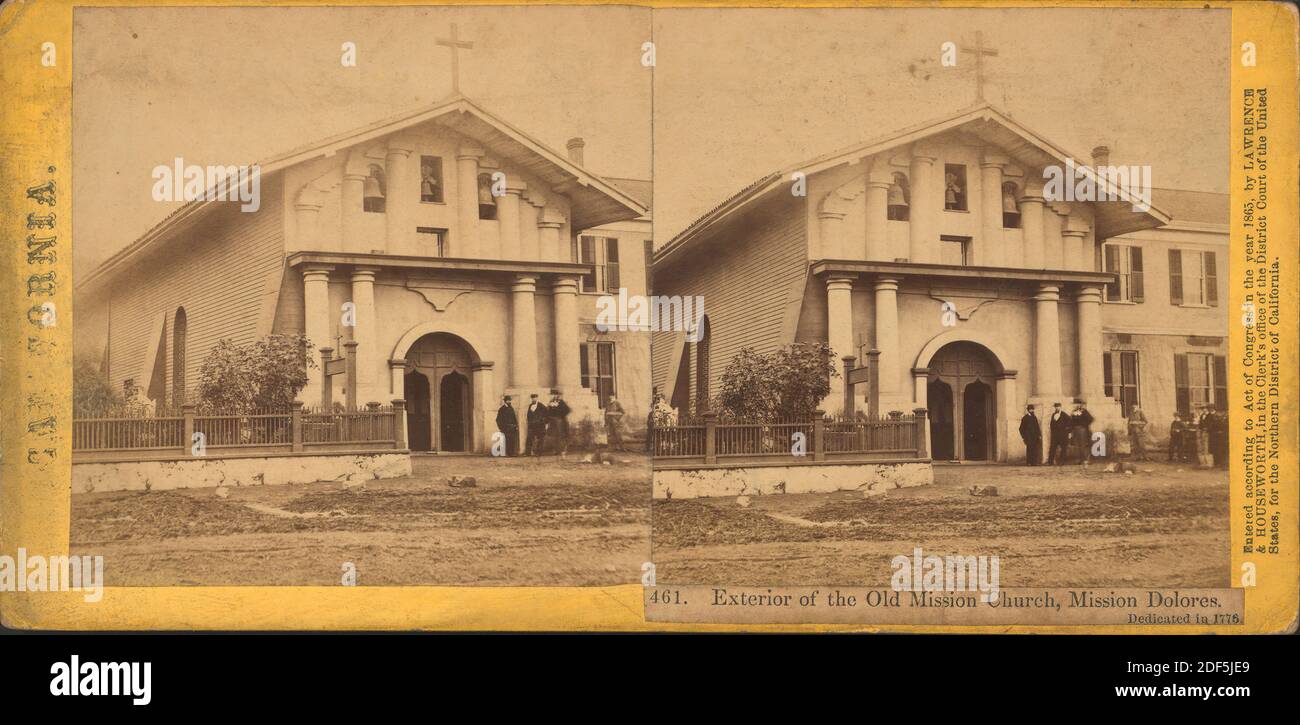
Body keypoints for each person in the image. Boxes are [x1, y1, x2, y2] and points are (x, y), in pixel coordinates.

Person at [546, 389, 571, 456]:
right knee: (554, 436)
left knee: (560, 435)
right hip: (553, 421)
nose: (553, 396)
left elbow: (567, 410)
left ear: (557, 395)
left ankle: (562, 450)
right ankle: (556, 450)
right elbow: (548, 412)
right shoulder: (551, 402)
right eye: (552, 395)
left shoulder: (561, 402)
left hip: (560, 421)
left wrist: (560, 415)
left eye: (554, 395)